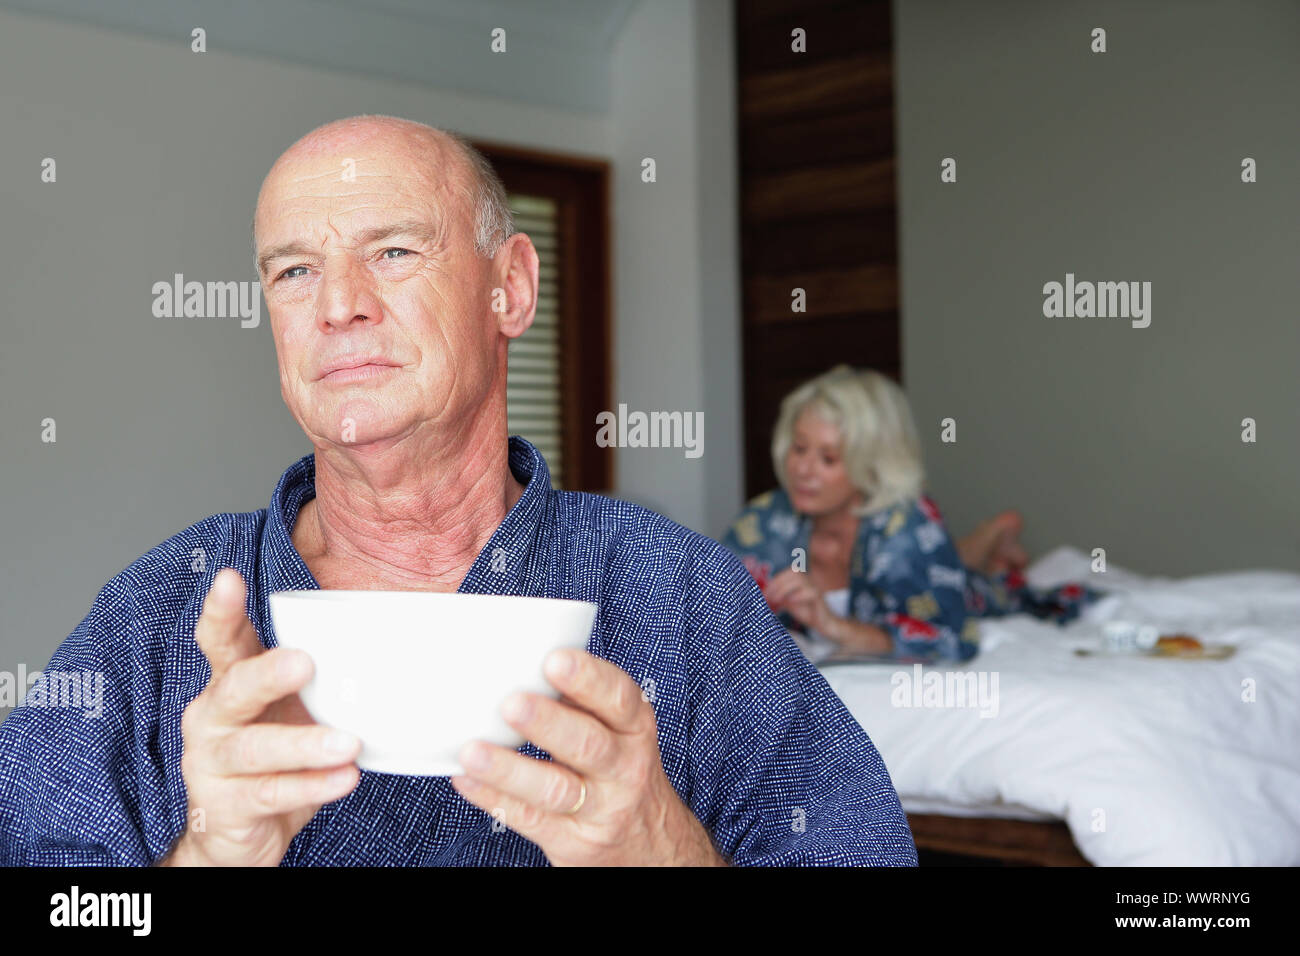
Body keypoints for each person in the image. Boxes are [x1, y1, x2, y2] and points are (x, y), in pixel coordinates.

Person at [0, 116, 916, 866]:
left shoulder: (676, 594)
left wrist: (664, 851)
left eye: (393, 251)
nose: (337, 305)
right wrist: (204, 860)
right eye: (293, 271)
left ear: (510, 289)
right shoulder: (165, 610)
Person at [722, 366, 1096, 664]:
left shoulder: (910, 527)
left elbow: (950, 637)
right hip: (925, 562)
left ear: (871, 462)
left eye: (828, 459)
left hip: (950, 581)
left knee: (985, 590)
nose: (803, 470)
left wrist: (833, 626)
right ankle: (988, 541)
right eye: (799, 448)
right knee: (955, 563)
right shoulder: (762, 522)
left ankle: (993, 537)